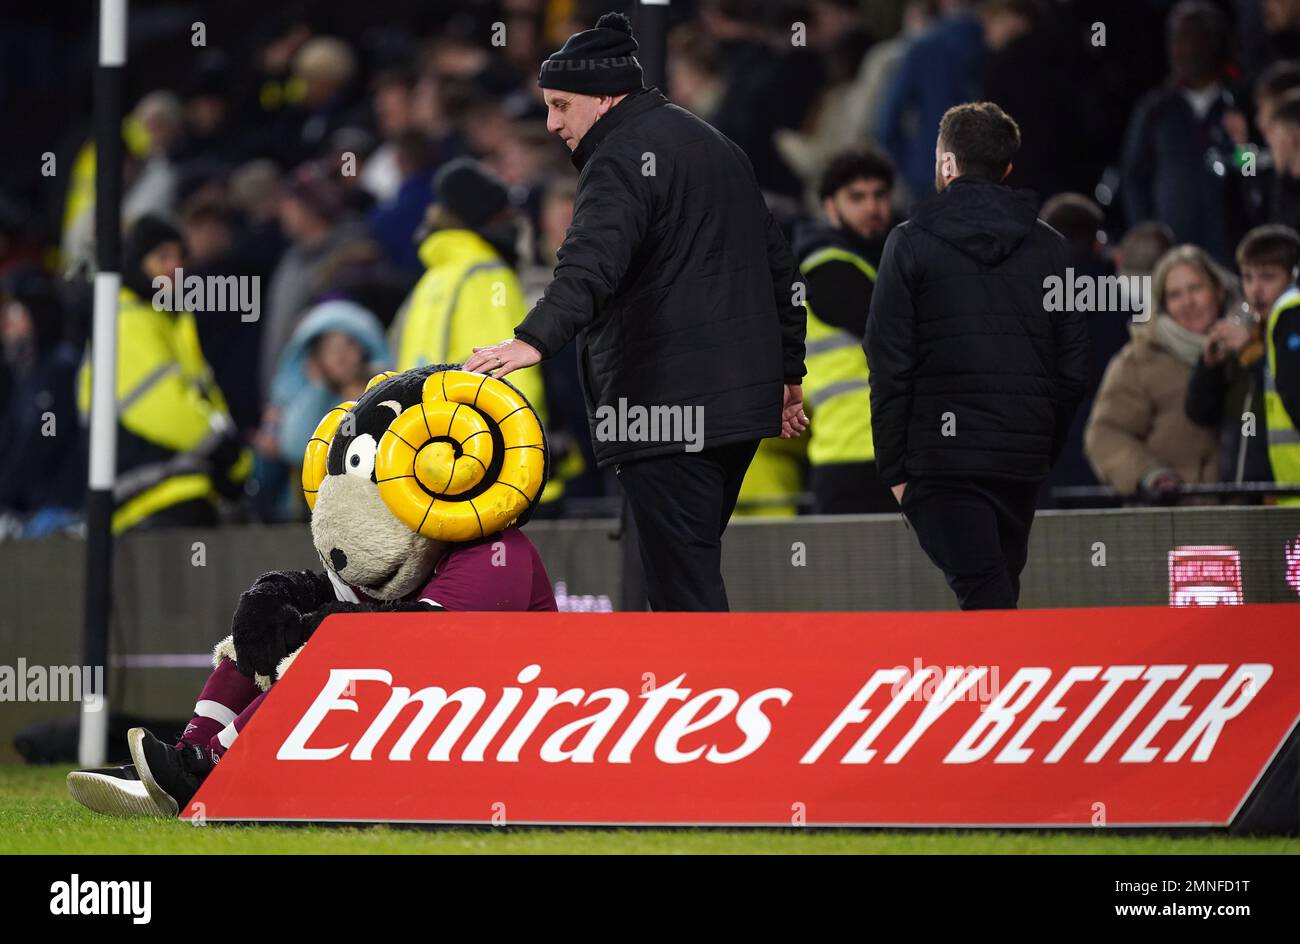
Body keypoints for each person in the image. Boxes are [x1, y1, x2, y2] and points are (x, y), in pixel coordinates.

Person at [464, 12, 807, 611]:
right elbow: (779, 268)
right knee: (689, 566)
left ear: (604, 97)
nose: (552, 124)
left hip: (665, 408)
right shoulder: (716, 145)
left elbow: (589, 263)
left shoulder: (620, 156)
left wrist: (533, 341)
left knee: (682, 588)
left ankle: (707, 697)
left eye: (561, 106)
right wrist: (788, 375)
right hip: (736, 407)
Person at [865, 101, 1087, 610]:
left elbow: (887, 363)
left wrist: (894, 469)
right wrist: (1038, 448)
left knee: (989, 600)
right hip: (1019, 460)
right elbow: (1073, 369)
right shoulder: (1053, 250)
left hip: (940, 462)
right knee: (995, 592)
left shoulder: (909, 244)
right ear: (1006, 168)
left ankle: (1009, 689)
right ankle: (1006, 687)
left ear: (947, 163)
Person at [77, 215, 250, 532]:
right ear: (137, 263)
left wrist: (235, 463)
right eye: (162, 257)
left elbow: (202, 398)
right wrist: (225, 452)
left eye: (179, 256)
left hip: (180, 491)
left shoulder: (171, 320)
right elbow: (160, 405)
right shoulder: (125, 318)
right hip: (151, 499)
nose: (174, 266)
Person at [393, 157, 545, 419]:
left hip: (425, 440)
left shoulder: (431, 280)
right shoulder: (488, 275)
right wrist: (525, 440)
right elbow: (509, 371)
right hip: (480, 443)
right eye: (504, 214)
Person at [1085, 245, 1233, 498]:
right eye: (1174, 295)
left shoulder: (1249, 347)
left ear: (1218, 291)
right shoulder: (1139, 359)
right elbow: (1105, 434)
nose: (1187, 303)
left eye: (1195, 288)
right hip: (1171, 517)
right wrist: (1151, 475)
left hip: (1246, 511)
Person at [795, 147, 897, 513]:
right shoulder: (828, 266)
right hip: (855, 458)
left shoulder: (872, 262)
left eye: (879, 195)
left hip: (868, 453)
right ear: (829, 207)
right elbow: (897, 334)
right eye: (856, 197)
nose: (872, 207)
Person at [1185, 225, 1298, 485]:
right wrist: (1209, 367)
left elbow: (1290, 398)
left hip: (1282, 487)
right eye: (1247, 277)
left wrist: (1251, 353)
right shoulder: (1240, 330)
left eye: (1268, 277)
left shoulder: (1288, 328)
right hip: (1239, 486)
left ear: (1292, 278)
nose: (1255, 290)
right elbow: (1200, 414)